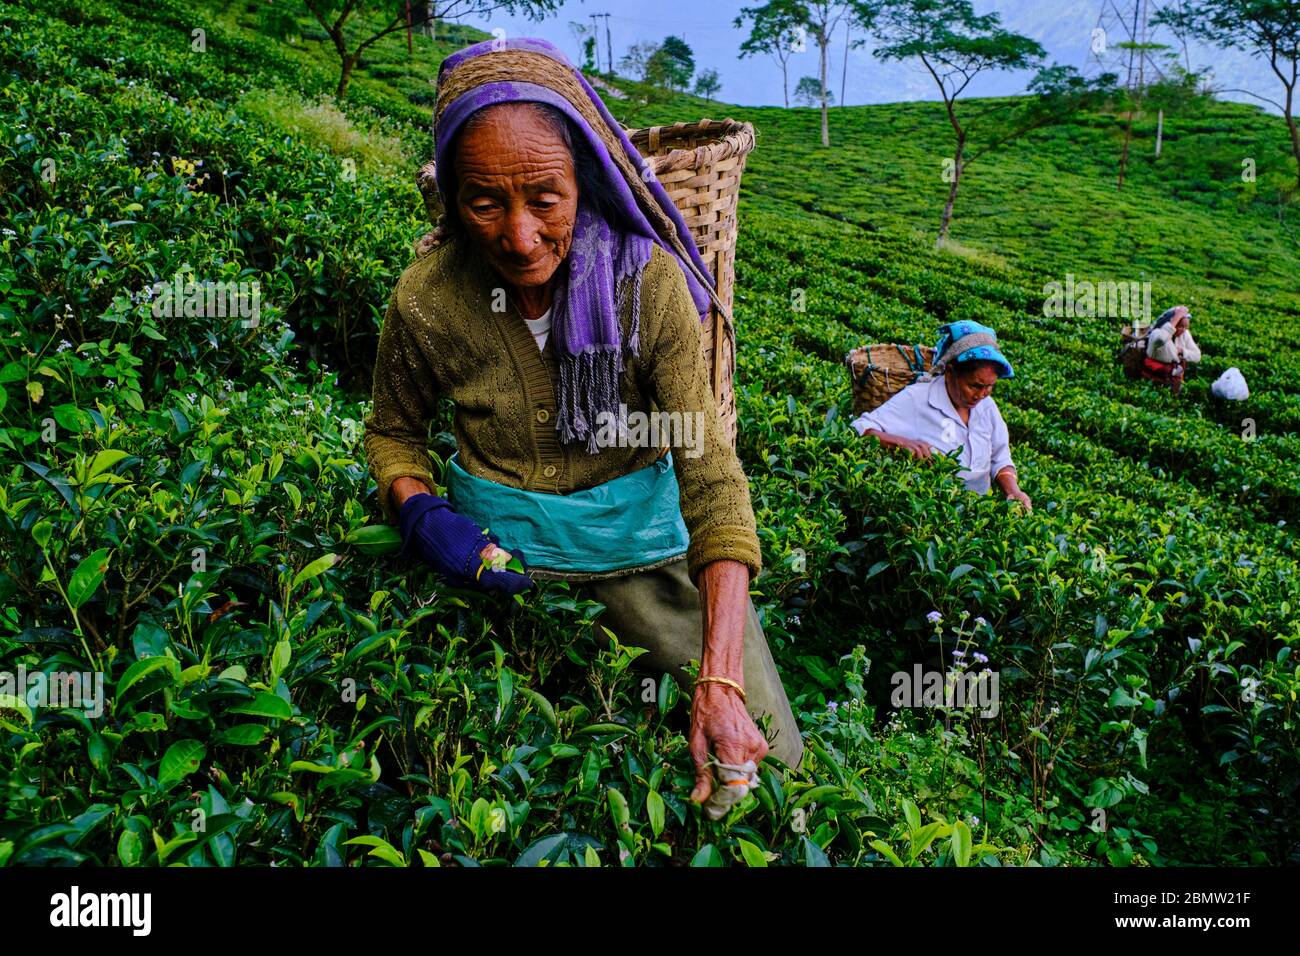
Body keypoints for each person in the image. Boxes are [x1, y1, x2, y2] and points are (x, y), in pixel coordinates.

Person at [361, 37, 803, 804]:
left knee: (769, 778)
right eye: (485, 202)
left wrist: (720, 678)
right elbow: (393, 431)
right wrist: (421, 512)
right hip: (497, 568)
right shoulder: (427, 297)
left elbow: (710, 474)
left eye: (545, 197)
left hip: (644, 561)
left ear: (584, 180)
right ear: (453, 196)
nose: (520, 236)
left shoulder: (645, 286)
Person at [849, 320, 1032, 511]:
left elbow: (1000, 458)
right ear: (950, 372)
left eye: (990, 386)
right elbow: (858, 428)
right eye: (974, 386)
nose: (981, 394)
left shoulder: (987, 407)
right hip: (934, 512)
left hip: (977, 511)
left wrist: (1013, 491)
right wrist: (897, 441)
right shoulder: (918, 398)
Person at [1143, 305, 1201, 395]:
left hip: (1173, 374)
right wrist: (1177, 316)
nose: (1183, 330)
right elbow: (1162, 339)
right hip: (1156, 373)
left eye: (1186, 327)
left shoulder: (1184, 333)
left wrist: (1183, 351)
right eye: (1181, 326)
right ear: (1170, 323)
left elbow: (1197, 356)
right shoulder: (1157, 333)